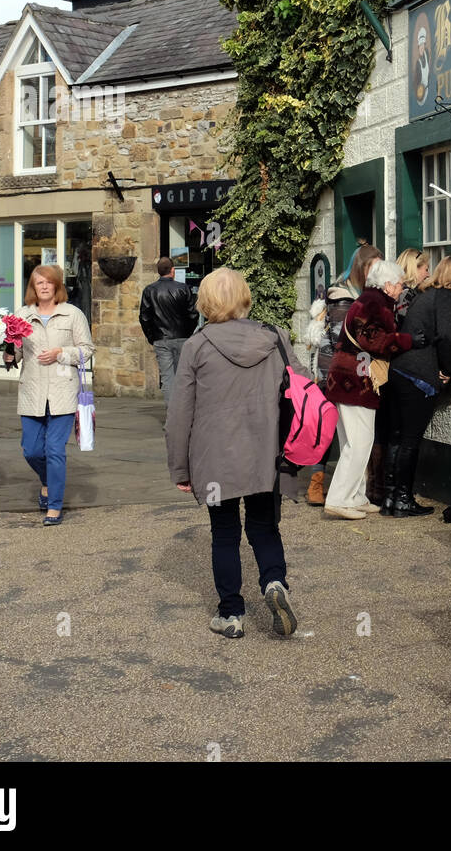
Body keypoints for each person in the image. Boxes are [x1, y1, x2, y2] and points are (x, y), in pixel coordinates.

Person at [166, 267, 300, 641]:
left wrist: (180, 467)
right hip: (266, 453)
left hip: (214, 458)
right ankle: (274, 581)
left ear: (205, 303)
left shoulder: (196, 346)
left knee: (224, 533)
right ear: (244, 297)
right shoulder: (275, 338)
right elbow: (303, 387)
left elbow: (180, 414)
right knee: (264, 526)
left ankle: (231, 614)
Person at [322, 259, 420, 520]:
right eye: (399, 284)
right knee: (360, 442)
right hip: (356, 381)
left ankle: (355, 497)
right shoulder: (375, 303)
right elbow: (373, 341)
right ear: (387, 285)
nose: (401, 289)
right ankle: (340, 499)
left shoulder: (368, 299)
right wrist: (408, 340)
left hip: (344, 379)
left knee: (351, 443)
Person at [3, 264, 94, 526]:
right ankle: (46, 481)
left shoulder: (72, 314)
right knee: (31, 450)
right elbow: (16, 355)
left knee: (55, 449)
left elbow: (87, 349)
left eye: (48, 282)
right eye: (38, 283)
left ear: (57, 286)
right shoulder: (22, 316)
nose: (44, 287)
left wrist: (60, 354)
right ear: (32, 287)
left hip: (62, 390)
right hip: (32, 390)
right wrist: (9, 353)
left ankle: (54, 505)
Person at [383, 255, 451, 517]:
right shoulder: (445, 296)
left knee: (397, 436)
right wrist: (448, 370)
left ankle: (391, 498)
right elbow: (448, 337)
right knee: (410, 440)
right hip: (417, 375)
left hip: (398, 371)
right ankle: (403, 499)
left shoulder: (425, 296)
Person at [309, 242, 382, 506]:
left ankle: (355, 495)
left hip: (336, 372)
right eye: (375, 266)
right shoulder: (344, 298)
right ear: (364, 268)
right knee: (351, 438)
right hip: (338, 373)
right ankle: (336, 494)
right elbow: (345, 339)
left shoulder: (351, 294)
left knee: (348, 436)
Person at [139, 256, 198, 406]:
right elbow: (193, 314)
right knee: (183, 377)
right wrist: (188, 333)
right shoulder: (183, 288)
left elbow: (144, 318)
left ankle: (173, 415)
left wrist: (152, 337)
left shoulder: (149, 290)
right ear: (172, 270)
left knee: (167, 378)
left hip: (161, 338)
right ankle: (184, 412)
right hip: (181, 337)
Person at [393, 247, 429, 323]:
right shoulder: (406, 295)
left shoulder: (399, 291)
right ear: (414, 269)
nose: (428, 275)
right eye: (426, 270)